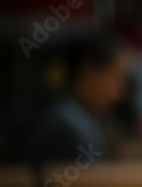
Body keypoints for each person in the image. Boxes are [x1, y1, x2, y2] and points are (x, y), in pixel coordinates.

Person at [29, 32, 130, 166]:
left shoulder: (67, 116)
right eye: (115, 79)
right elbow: (95, 185)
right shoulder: (70, 128)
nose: (118, 94)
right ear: (88, 73)